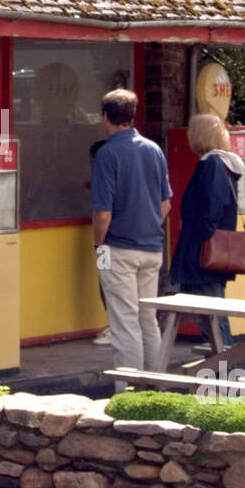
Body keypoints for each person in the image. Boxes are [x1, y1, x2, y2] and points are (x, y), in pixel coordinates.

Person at [90, 90, 172, 392]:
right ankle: (154, 388)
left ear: (105, 116)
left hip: (115, 248)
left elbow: (102, 214)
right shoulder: (153, 150)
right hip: (152, 247)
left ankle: (129, 393)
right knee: (147, 319)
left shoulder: (107, 154)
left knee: (123, 322)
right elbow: (166, 205)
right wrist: (148, 225)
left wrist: (98, 247)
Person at [167, 113, 245, 356]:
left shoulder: (212, 165)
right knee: (209, 313)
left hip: (202, 253)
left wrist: (200, 237)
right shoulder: (223, 164)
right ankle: (222, 365)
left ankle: (224, 367)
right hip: (207, 252)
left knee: (211, 315)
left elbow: (211, 209)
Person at [87, 138, 111, 346]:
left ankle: (114, 327)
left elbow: (102, 215)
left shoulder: (104, 175)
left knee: (107, 283)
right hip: (143, 242)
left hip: (107, 245)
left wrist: (98, 244)